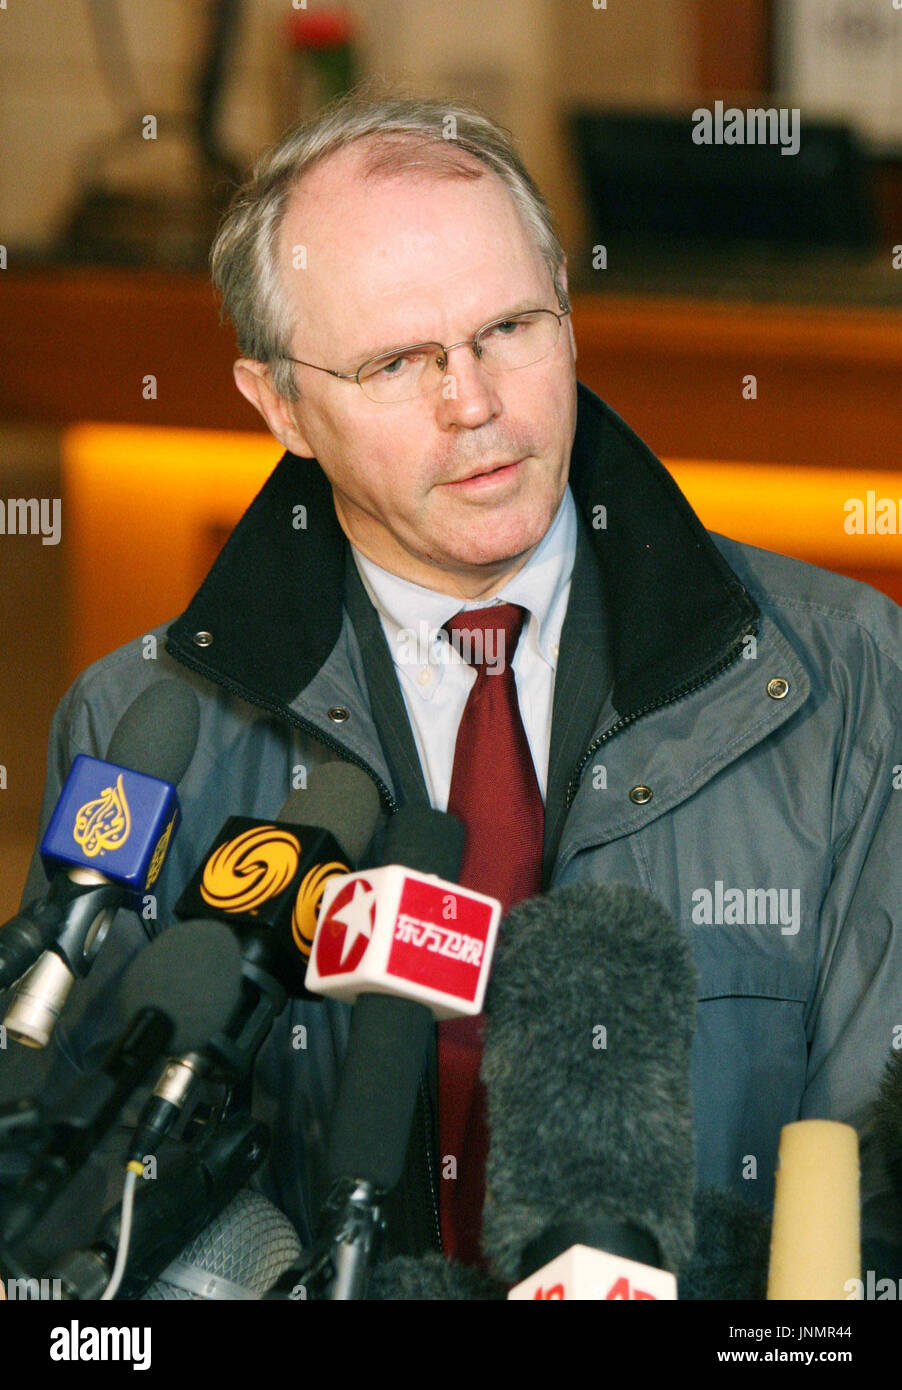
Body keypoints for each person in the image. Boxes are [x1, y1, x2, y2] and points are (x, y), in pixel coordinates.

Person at [7, 94, 902, 1277]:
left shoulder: (843, 674)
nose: (472, 403)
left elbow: (875, 1201)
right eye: (395, 361)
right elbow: (104, 1221)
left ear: (569, 320)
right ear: (279, 404)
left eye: (507, 330)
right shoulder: (139, 726)